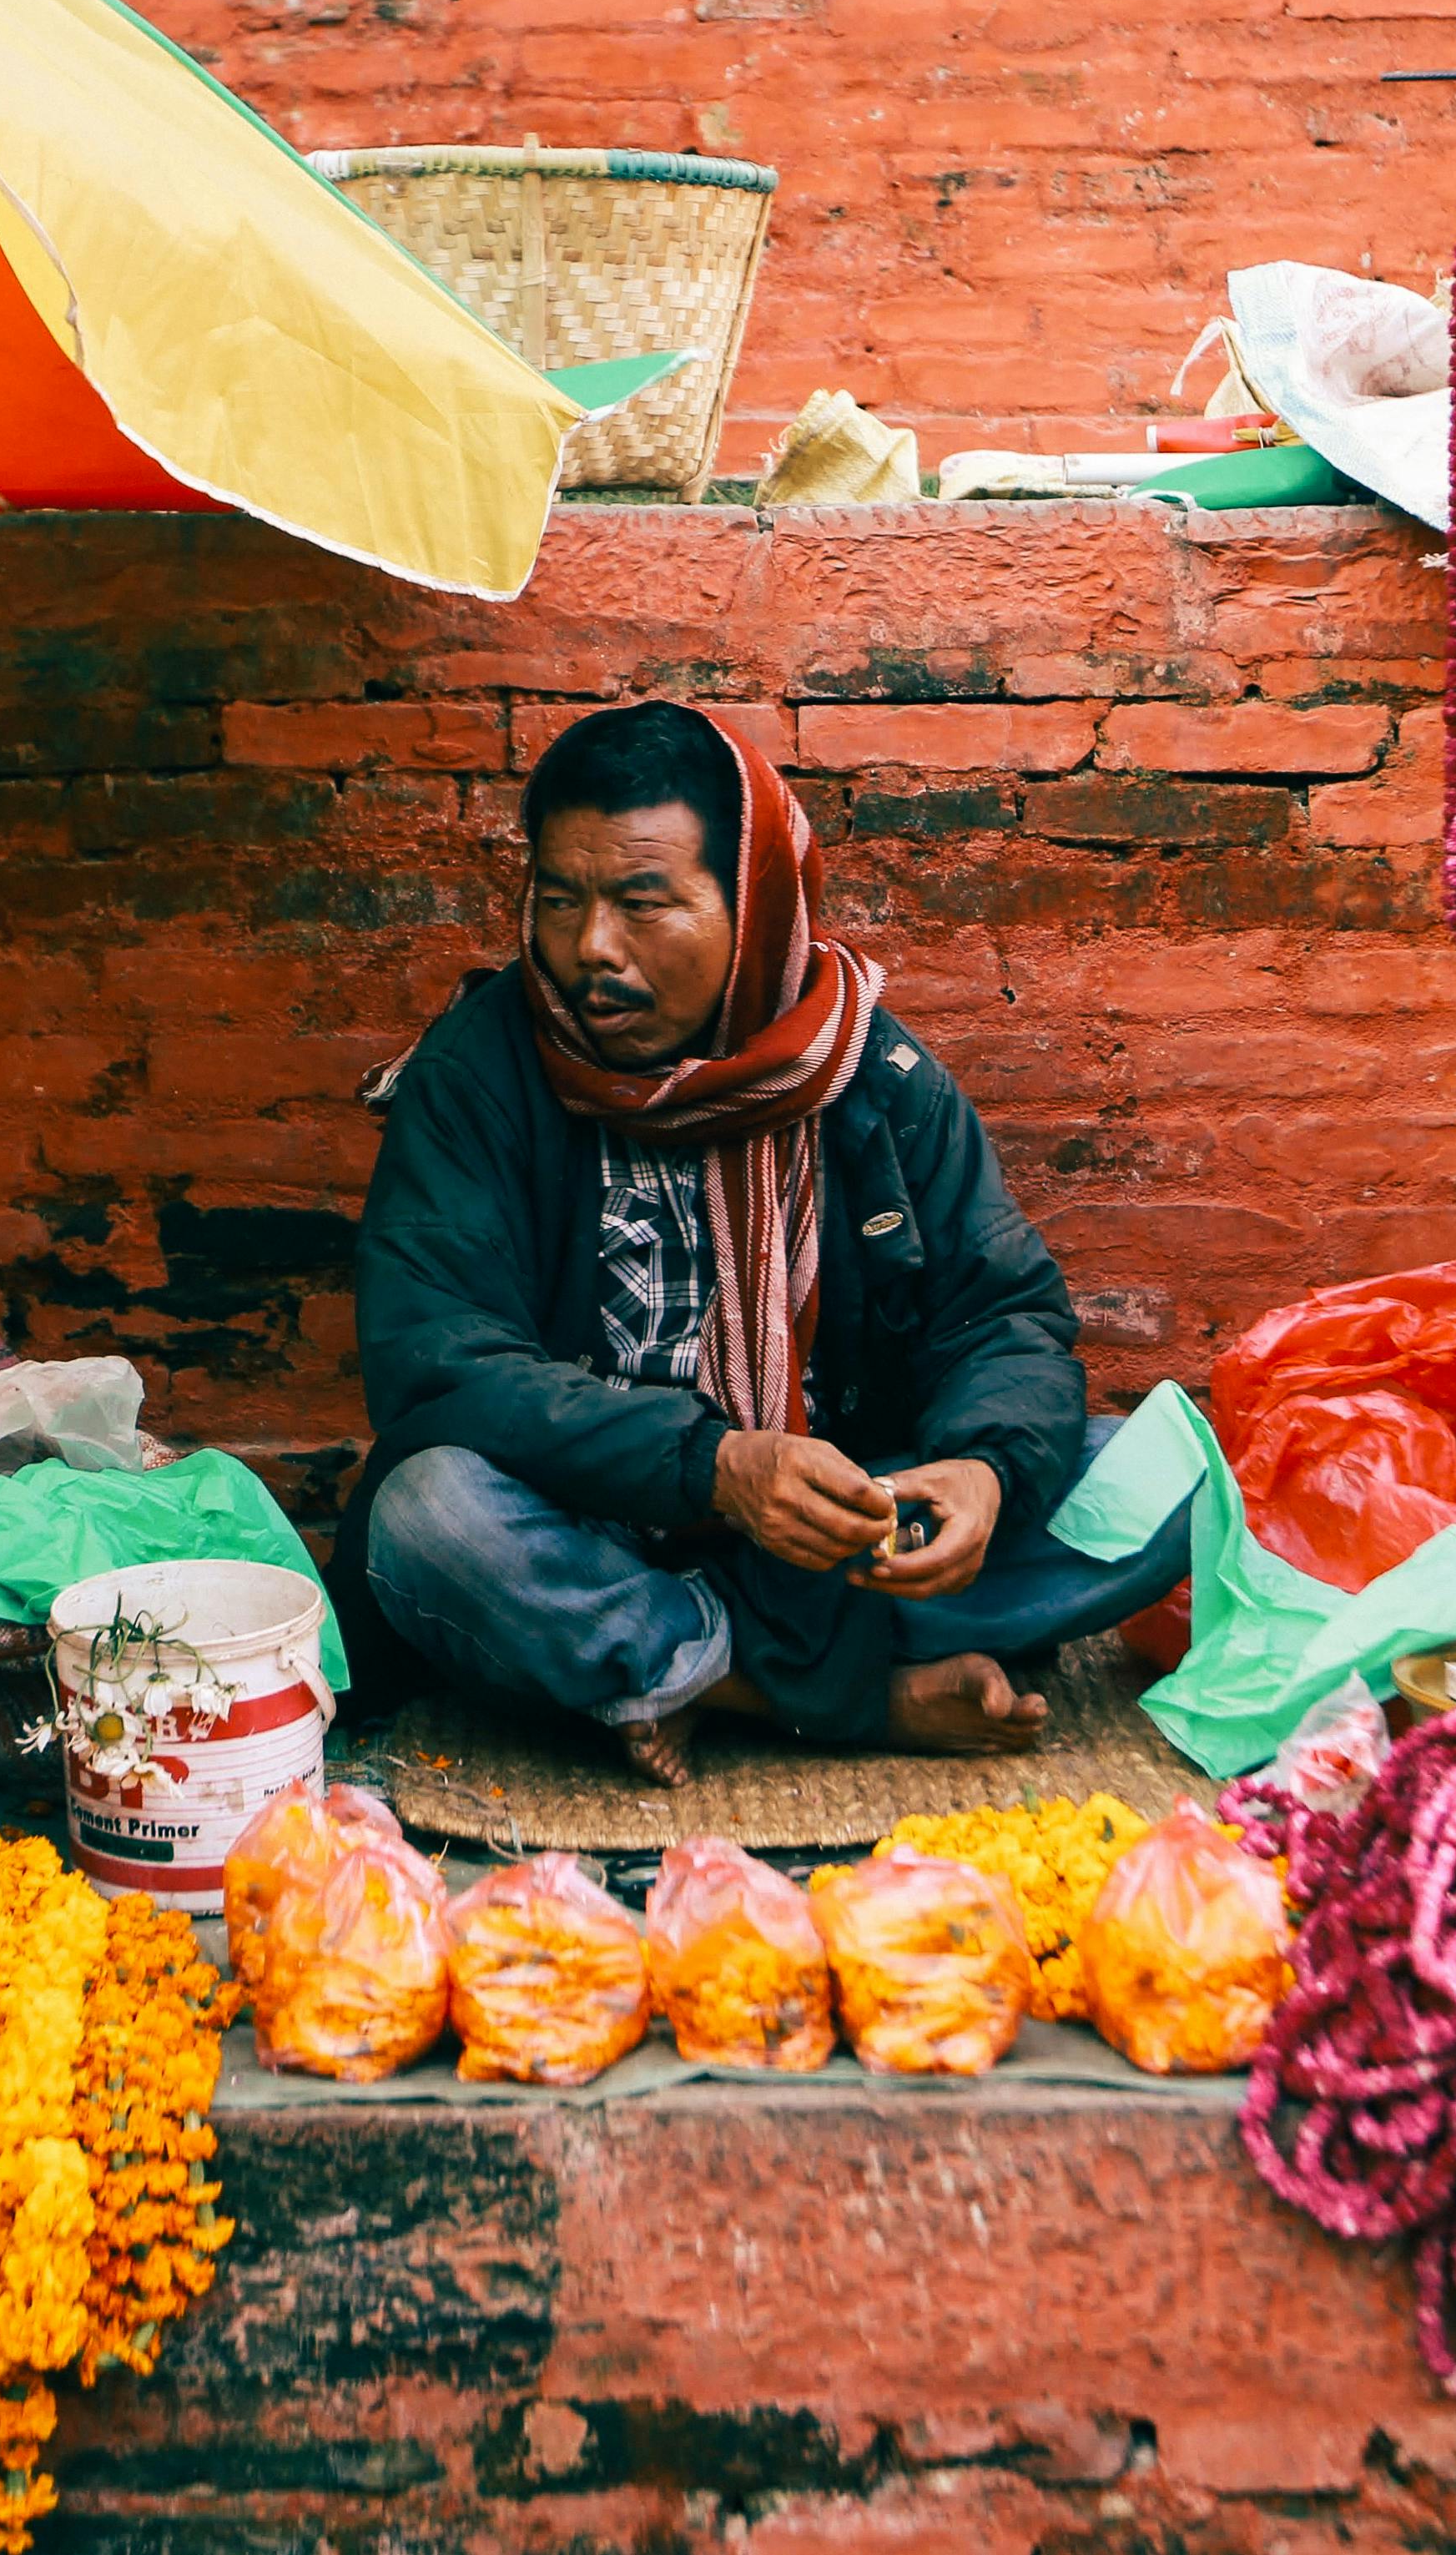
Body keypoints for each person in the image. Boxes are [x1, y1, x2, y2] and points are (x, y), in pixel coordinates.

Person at [335, 701, 1189, 1786]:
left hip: (838, 1538)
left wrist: (983, 1469)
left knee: (1168, 1477)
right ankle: (838, 1697)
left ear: (754, 906)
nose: (590, 947)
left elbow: (1003, 1314)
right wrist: (714, 1467)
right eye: (558, 900)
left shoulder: (868, 1075)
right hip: (592, 1525)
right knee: (426, 1521)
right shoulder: (477, 1074)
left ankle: (675, 1667)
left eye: (643, 904)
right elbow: (437, 1363)